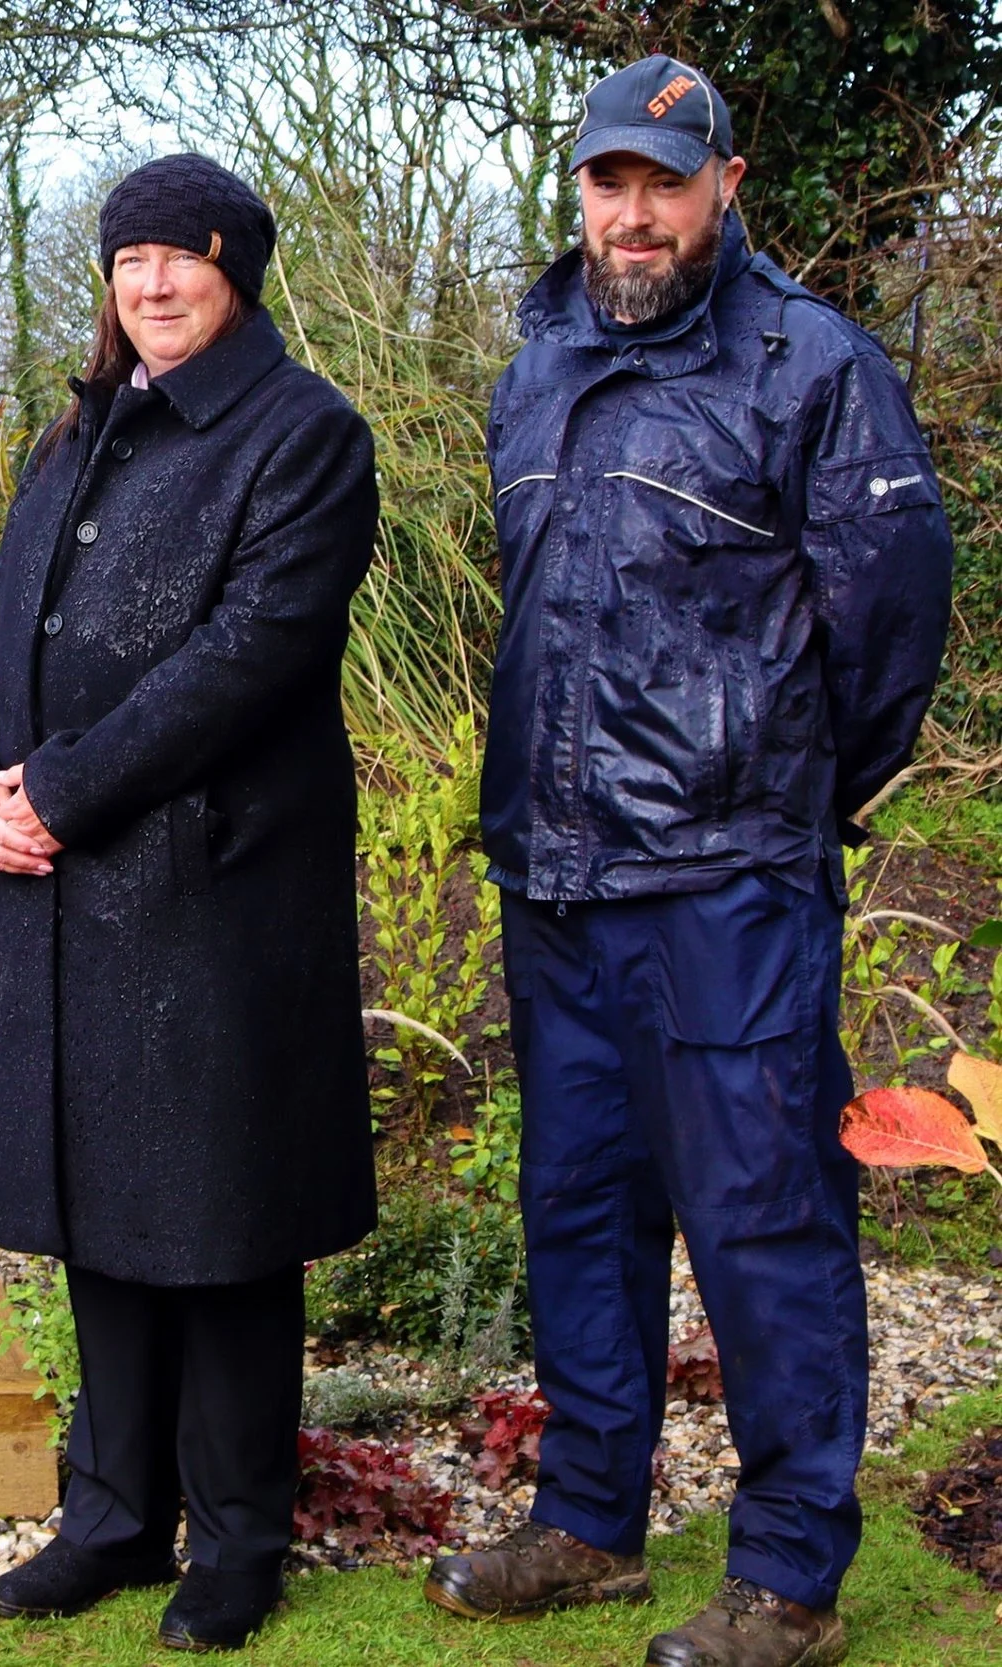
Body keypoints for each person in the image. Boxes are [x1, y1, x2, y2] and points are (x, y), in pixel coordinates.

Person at [423, 56, 951, 1667]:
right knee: (577, 1207)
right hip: (559, 879)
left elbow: (892, 631)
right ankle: (589, 1523)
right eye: (607, 182)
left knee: (764, 1215)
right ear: (578, 191)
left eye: (663, 180)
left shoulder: (813, 368)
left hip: (731, 884)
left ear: (726, 183)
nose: (632, 213)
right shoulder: (536, 362)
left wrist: (778, 790)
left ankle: (789, 1574)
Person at [0, 154, 380, 1653]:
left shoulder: (304, 434)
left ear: (234, 267)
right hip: (67, 889)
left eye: (181, 258)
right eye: (130, 261)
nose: (153, 283)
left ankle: (240, 1539)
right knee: (99, 1211)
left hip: (218, 894)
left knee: (224, 1218)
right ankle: (112, 1516)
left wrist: (53, 787)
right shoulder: (80, 429)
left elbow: (251, 655)